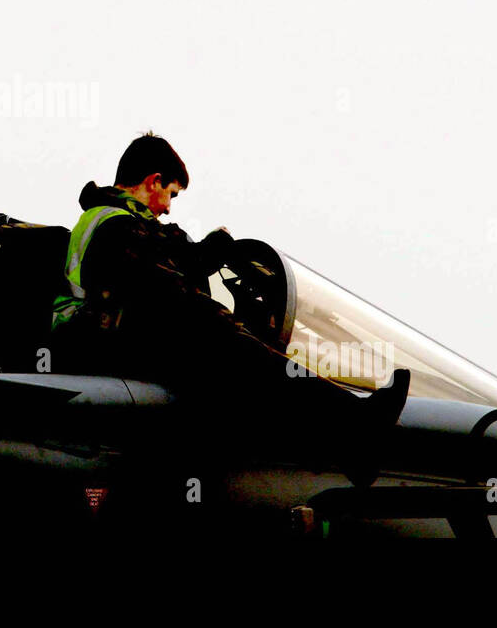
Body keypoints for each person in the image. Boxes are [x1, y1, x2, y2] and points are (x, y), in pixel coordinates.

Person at [50, 132, 408, 485]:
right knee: (238, 354)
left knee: (228, 363)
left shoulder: (115, 221)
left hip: (104, 339)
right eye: (171, 194)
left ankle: (350, 441)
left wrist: (207, 253)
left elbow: (161, 271)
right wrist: (231, 328)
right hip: (101, 346)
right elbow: (168, 295)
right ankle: (356, 428)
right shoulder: (116, 226)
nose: (169, 208)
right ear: (154, 181)